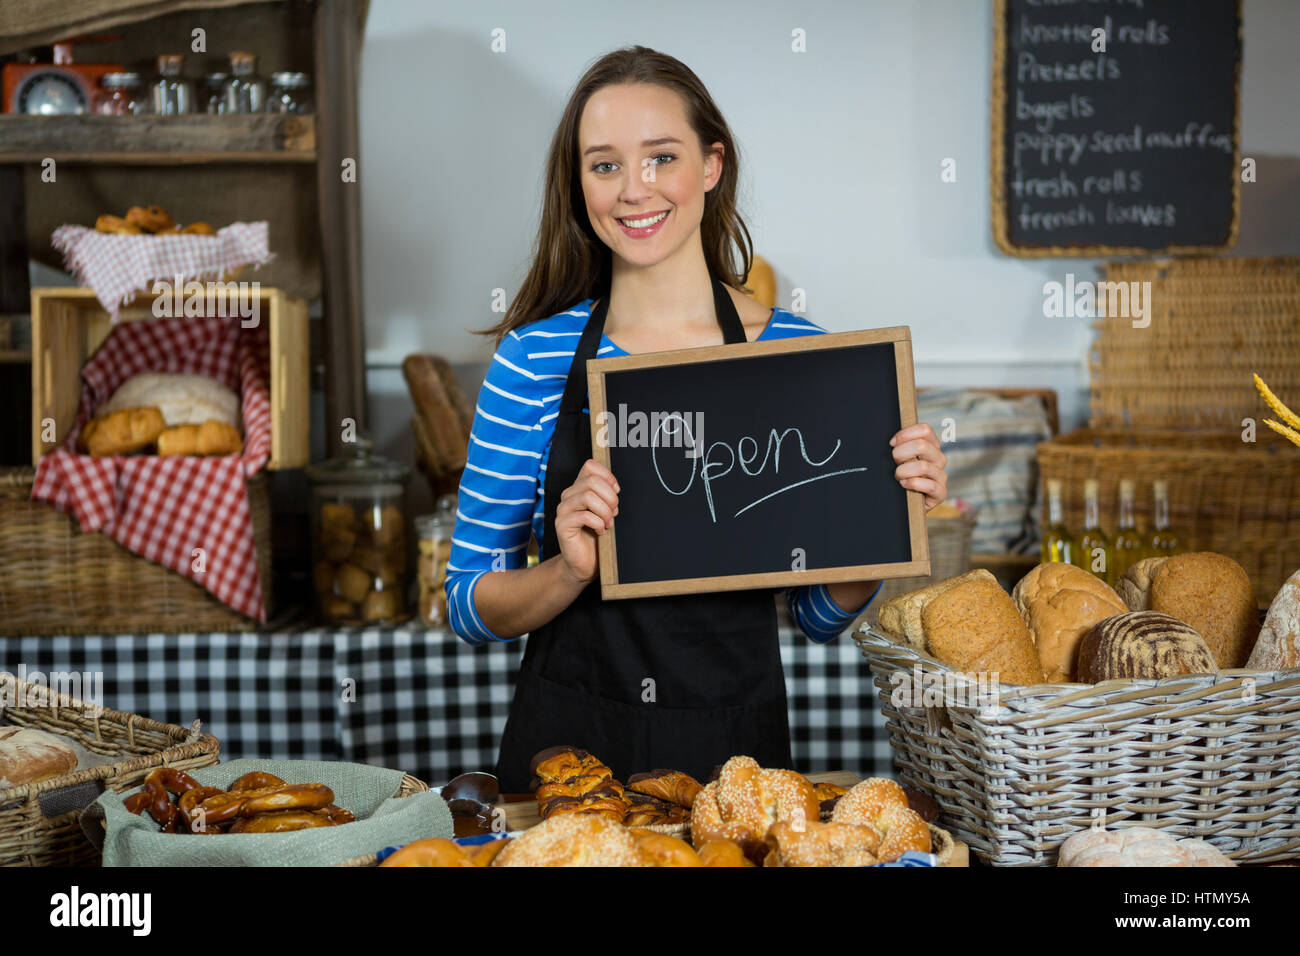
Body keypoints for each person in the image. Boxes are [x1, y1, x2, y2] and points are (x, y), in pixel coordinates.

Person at [445, 46, 948, 791]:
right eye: (604, 164)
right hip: (566, 761)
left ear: (710, 165)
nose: (633, 190)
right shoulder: (534, 360)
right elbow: (467, 602)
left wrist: (888, 515)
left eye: (661, 157)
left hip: (736, 759)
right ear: (578, 183)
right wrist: (568, 570)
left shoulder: (794, 353)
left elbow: (816, 613)